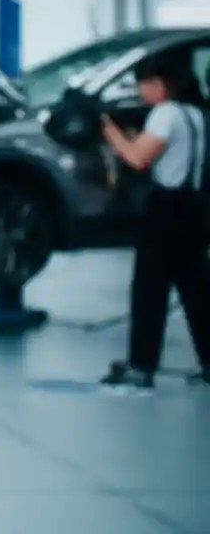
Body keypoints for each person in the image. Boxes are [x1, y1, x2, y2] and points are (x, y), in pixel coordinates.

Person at [100, 53, 210, 390]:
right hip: (194, 205)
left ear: (165, 84)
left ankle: (141, 365)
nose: (142, 92)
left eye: (146, 84)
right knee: (196, 290)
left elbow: (138, 158)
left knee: (150, 288)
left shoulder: (166, 114)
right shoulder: (196, 114)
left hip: (166, 209)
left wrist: (110, 132)